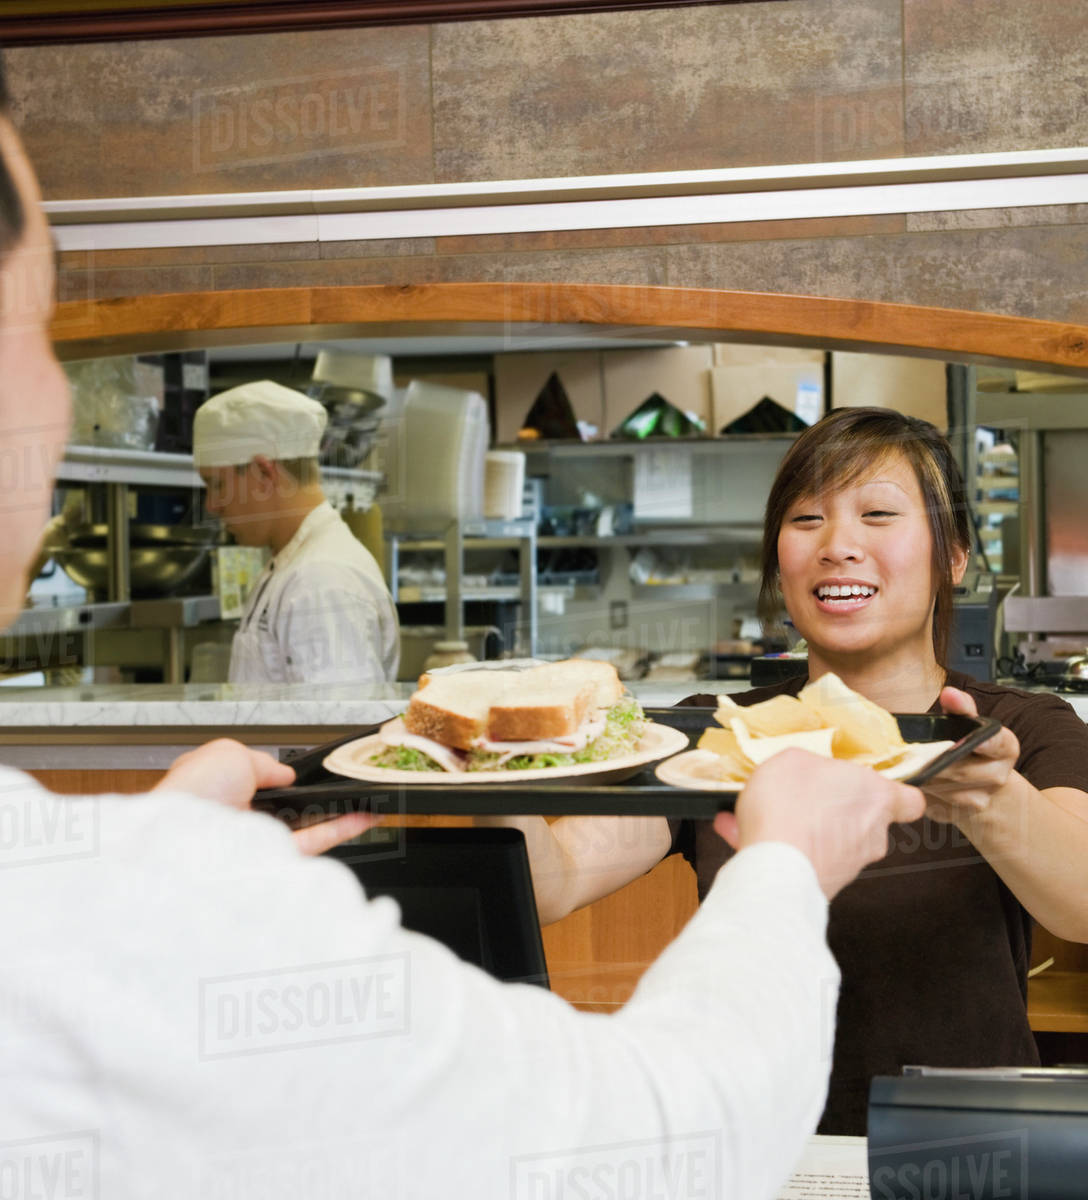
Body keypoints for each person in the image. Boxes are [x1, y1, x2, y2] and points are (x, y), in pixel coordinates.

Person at [0, 63, 926, 1198]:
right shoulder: (121, 924)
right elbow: (656, 1145)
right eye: (40, 329)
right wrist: (786, 865)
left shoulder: (79, 902)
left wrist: (150, 868)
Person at [497, 406, 1088, 1134]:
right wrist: (496, 765)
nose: (838, 546)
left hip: (969, 1141)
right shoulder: (721, 729)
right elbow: (553, 879)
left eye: (878, 514)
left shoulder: (1020, 729)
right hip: (760, 1138)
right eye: (806, 520)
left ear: (953, 556)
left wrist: (992, 798)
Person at [193, 379, 401, 684]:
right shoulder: (293, 565)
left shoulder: (322, 580)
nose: (212, 505)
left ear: (264, 473)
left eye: (217, 485)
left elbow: (336, 725)